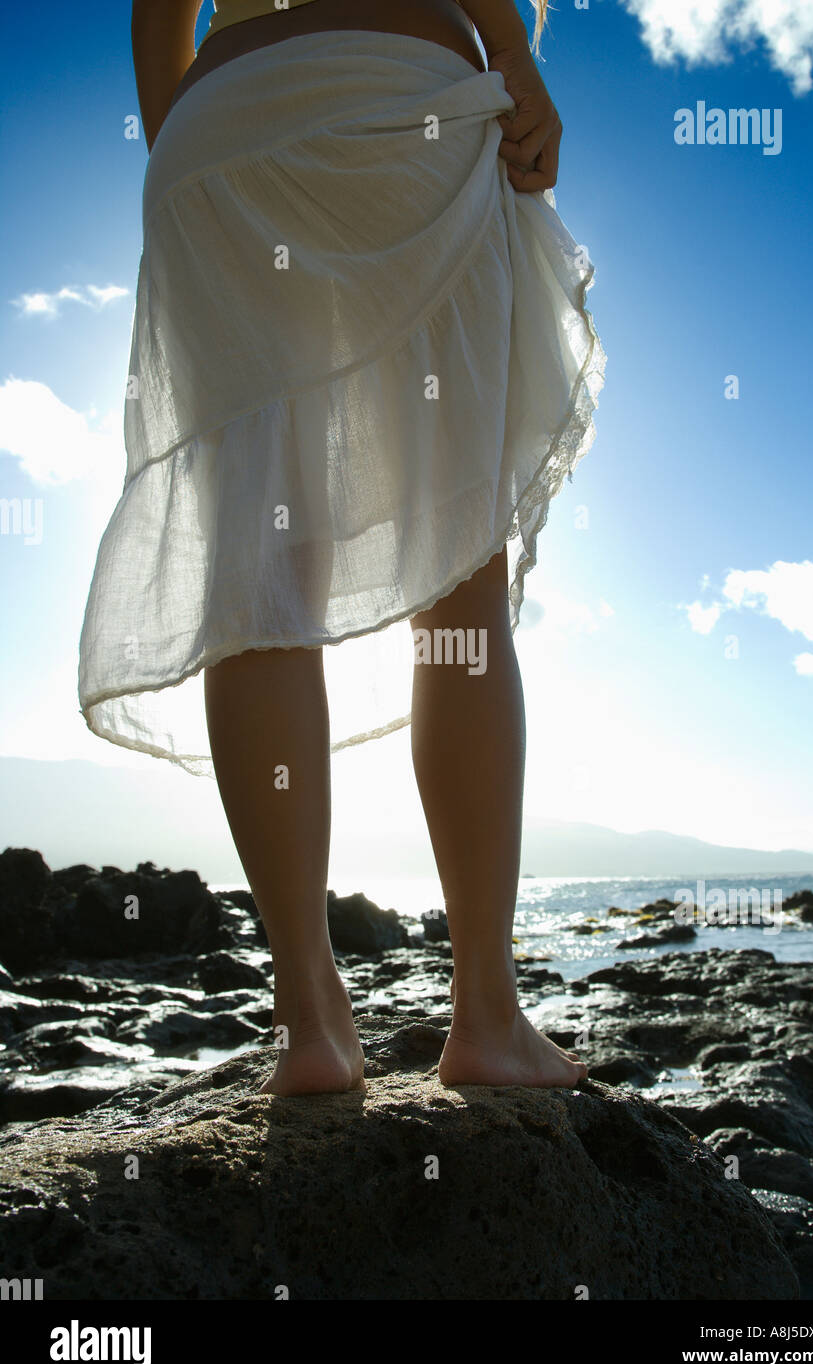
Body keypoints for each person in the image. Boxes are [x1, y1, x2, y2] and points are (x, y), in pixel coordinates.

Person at [82, 0, 604, 1094]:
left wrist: (198, 146)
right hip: (396, 88)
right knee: (461, 587)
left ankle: (312, 1018)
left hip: (216, 128)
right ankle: (486, 1015)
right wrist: (514, 56)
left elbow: (156, 12)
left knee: (259, 572)